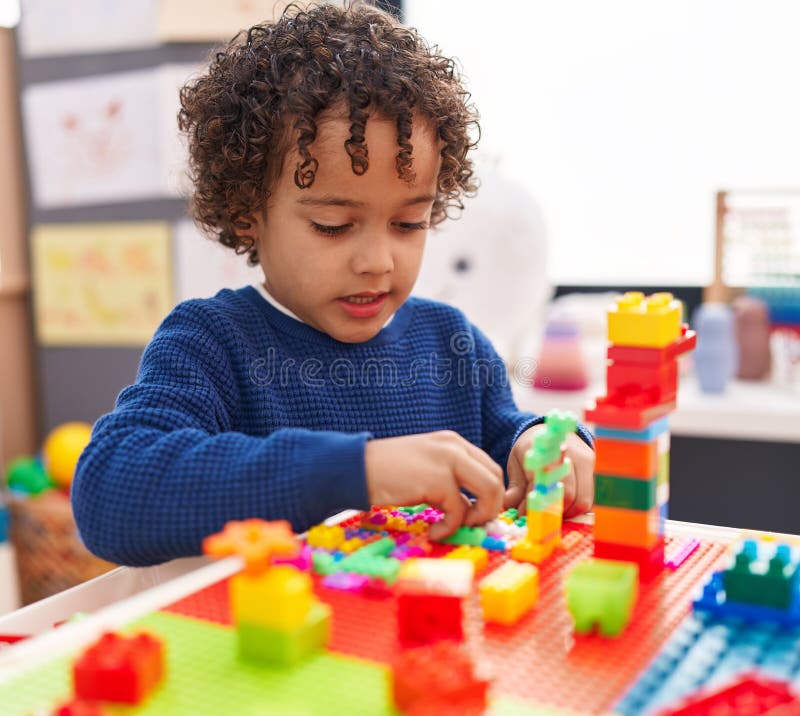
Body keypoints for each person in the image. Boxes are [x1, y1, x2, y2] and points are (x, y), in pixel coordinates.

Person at [71, 2, 594, 566]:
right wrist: (355, 472)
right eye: (334, 226)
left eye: (408, 223)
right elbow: (111, 490)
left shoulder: (451, 342)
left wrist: (543, 446)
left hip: (430, 646)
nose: (377, 261)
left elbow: (506, 437)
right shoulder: (213, 344)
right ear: (248, 211)